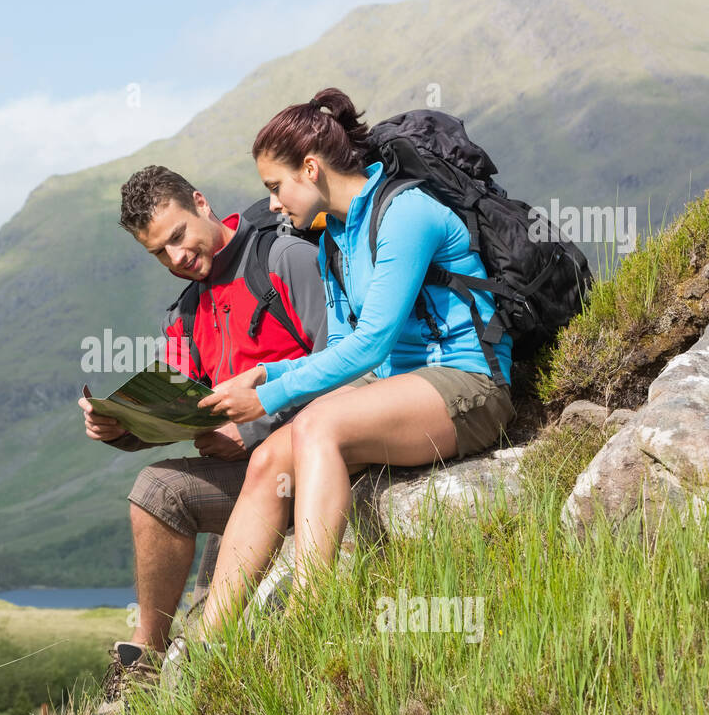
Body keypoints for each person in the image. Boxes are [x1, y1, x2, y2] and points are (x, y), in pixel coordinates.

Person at [192, 87, 516, 641]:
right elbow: (337, 351)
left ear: (311, 169)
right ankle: (209, 645)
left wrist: (268, 399)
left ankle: (310, 619)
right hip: (399, 385)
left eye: (275, 187)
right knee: (271, 456)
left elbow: (370, 343)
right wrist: (269, 374)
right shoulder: (334, 238)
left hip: (469, 385)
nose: (272, 204)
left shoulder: (406, 214)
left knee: (317, 424)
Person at [77, 164, 327, 715]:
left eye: (178, 237)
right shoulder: (186, 313)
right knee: (154, 488)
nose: (176, 259)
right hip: (249, 478)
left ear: (200, 203)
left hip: (320, 461)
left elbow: (352, 364)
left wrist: (256, 428)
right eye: (158, 254)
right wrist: (120, 428)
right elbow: (172, 410)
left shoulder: (284, 259)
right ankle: (143, 666)